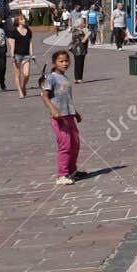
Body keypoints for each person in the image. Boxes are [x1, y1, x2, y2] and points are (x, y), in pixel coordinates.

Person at [41, 49, 86, 186]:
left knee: (75, 144)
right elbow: (44, 96)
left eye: (66, 61)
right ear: (54, 63)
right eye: (61, 61)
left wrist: (75, 112)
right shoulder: (52, 77)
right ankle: (62, 175)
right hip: (59, 118)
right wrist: (53, 109)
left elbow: (67, 98)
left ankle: (72, 171)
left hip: (69, 116)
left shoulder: (64, 78)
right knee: (65, 145)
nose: (64, 63)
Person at [12, 14, 36, 98]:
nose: (24, 20)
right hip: (17, 55)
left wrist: (31, 53)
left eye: (24, 19)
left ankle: (23, 86)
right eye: (21, 19)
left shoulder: (28, 30)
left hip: (26, 55)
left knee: (26, 74)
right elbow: (12, 44)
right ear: (18, 21)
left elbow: (30, 42)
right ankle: (20, 91)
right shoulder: (14, 31)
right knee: (17, 74)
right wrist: (12, 55)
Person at [69, 13, 90, 83]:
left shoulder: (75, 30)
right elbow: (83, 40)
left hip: (77, 50)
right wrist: (88, 34)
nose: (84, 24)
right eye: (83, 23)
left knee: (77, 64)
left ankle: (77, 78)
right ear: (80, 24)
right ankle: (79, 78)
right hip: (79, 50)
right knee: (80, 64)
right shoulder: (79, 31)